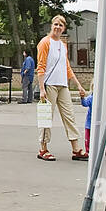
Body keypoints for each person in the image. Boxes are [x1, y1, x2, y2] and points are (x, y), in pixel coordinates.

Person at [34, 14, 84, 162]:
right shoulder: (45, 43)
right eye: (55, 24)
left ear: (64, 28)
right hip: (49, 85)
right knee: (46, 117)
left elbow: (67, 67)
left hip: (63, 85)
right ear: (51, 26)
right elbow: (41, 67)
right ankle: (43, 149)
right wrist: (42, 88)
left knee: (69, 116)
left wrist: (78, 84)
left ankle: (76, 149)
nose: (57, 27)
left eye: (60, 25)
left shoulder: (62, 45)